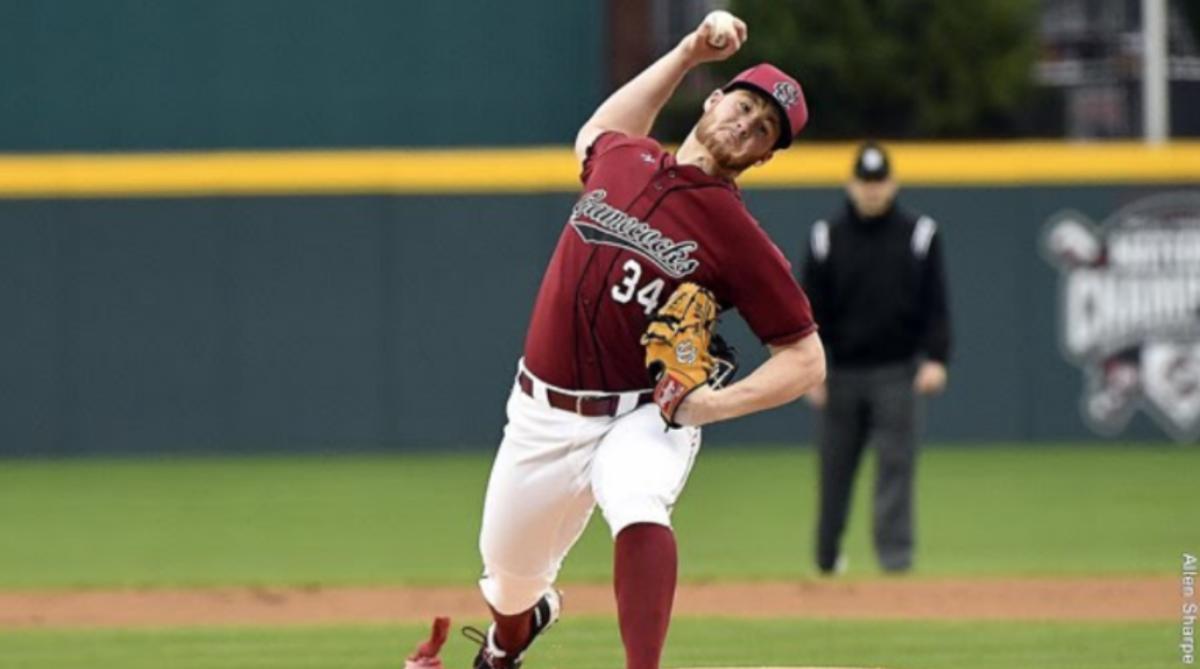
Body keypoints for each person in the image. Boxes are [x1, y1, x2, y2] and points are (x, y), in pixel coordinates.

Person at [451, 11, 825, 669]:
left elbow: (805, 358)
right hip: (541, 412)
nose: (748, 125)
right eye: (745, 106)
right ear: (714, 100)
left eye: (765, 128)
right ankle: (513, 635)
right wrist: (687, 52)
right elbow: (596, 131)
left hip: (642, 411)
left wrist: (710, 406)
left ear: (764, 157)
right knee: (508, 580)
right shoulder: (624, 158)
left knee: (637, 502)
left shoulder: (738, 237)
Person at [800, 141, 952, 576]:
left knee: (896, 467)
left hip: (897, 371)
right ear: (851, 185)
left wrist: (936, 357)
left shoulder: (920, 233)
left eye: (879, 181)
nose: (872, 189)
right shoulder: (825, 236)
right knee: (835, 470)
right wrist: (810, 372)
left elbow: (936, 303)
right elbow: (807, 311)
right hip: (840, 373)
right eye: (865, 181)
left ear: (893, 184)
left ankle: (895, 561)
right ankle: (827, 558)